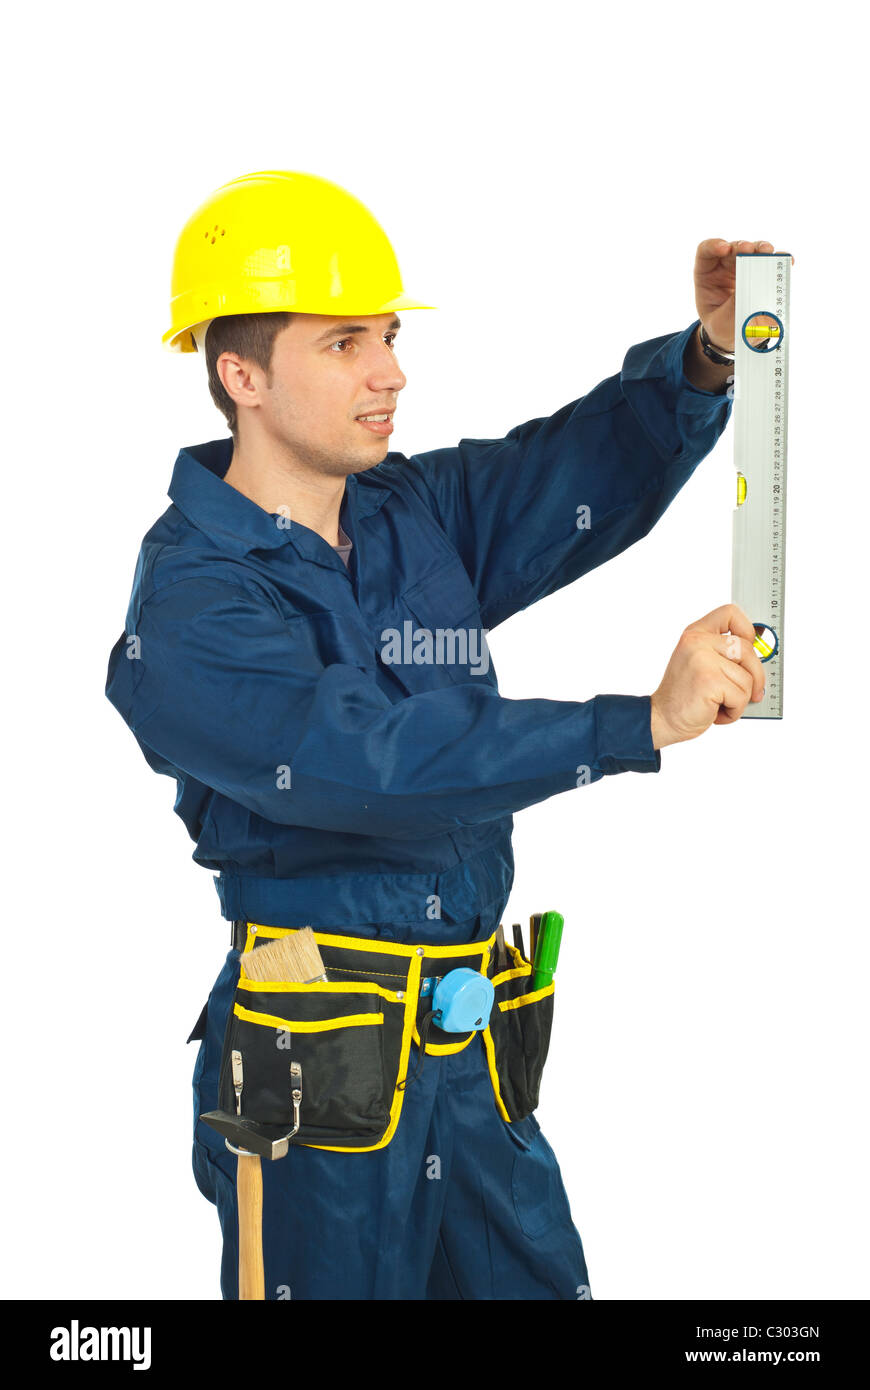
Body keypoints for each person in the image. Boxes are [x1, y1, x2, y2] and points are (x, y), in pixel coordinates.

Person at [105, 170, 771, 1300]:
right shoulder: (191, 604)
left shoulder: (411, 514)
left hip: (468, 1045)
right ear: (241, 374)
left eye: (390, 335)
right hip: (319, 1057)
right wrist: (633, 724)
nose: (392, 370)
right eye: (347, 343)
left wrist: (709, 354)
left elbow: (573, 469)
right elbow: (368, 761)